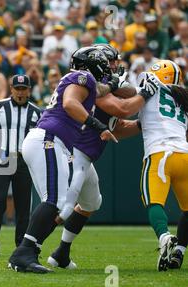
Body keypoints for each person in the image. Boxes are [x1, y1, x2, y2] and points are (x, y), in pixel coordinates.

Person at [47, 44, 161, 269]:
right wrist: (146, 93)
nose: (115, 66)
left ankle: (61, 252)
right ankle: (28, 247)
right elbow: (122, 109)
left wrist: (140, 124)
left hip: (86, 156)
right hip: (75, 152)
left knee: (91, 202)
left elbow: (117, 125)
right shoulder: (92, 87)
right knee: (63, 208)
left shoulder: (106, 86)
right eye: (111, 62)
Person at [8, 47, 119, 273]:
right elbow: (70, 104)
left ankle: (26, 252)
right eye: (104, 65)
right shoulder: (84, 77)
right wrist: (98, 126)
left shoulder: (80, 79)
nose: (107, 69)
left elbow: (98, 90)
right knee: (54, 201)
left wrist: (114, 85)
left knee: (54, 202)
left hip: (46, 140)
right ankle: (24, 253)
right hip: (49, 139)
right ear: (92, 65)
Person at [0, 74, 42, 256]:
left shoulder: (37, 112)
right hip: (2, 156)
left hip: (25, 159)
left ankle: (21, 244)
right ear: (11, 89)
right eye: (17, 89)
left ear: (29, 90)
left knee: (23, 205)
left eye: (24, 89)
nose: (20, 92)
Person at [135, 60, 188, 270]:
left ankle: (165, 237)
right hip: (184, 154)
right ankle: (180, 251)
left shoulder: (148, 82)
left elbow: (129, 97)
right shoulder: (183, 99)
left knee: (153, 201)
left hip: (159, 153)